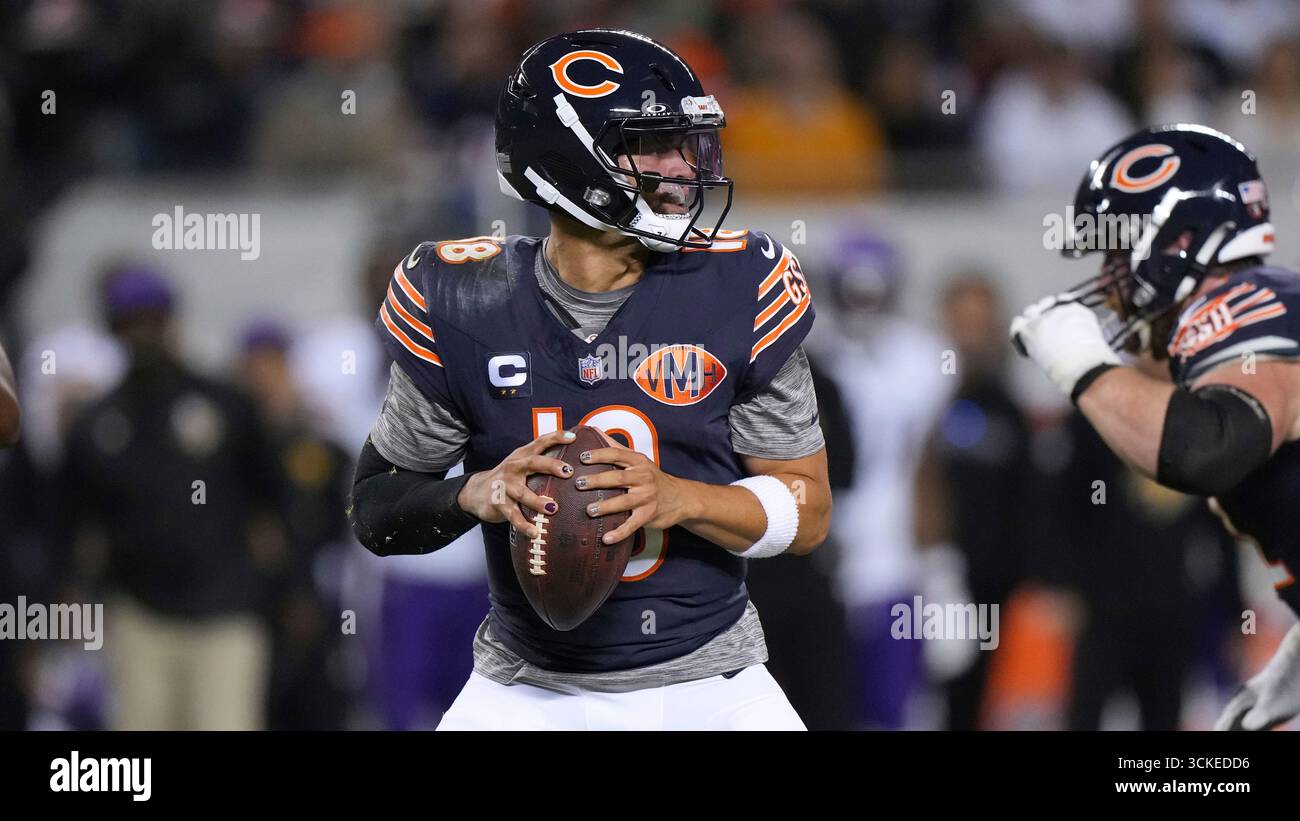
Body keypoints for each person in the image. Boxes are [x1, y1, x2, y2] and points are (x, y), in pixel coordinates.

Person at [349, 29, 831, 731]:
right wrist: (472, 492)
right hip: (526, 687)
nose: (682, 166)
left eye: (685, 142)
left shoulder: (739, 285)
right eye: (652, 144)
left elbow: (808, 510)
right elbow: (376, 510)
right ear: (570, 162)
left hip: (711, 679)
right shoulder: (467, 301)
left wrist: (680, 498)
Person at [1011, 123, 1300, 731]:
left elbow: (1208, 449)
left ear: (1182, 239)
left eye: (1118, 253)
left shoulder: (1246, 303)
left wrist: (1082, 364)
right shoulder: (1231, 327)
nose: (1110, 279)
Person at [59, 266, 283, 730]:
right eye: (129, 322)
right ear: (112, 329)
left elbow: (275, 501)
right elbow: (66, 520)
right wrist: (73, 589)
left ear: (170, 320)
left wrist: (284, 585)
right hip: (140, 614)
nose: (142, 333)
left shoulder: (225, 404)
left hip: (226, 611)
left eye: (150, 319)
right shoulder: (96, 426)